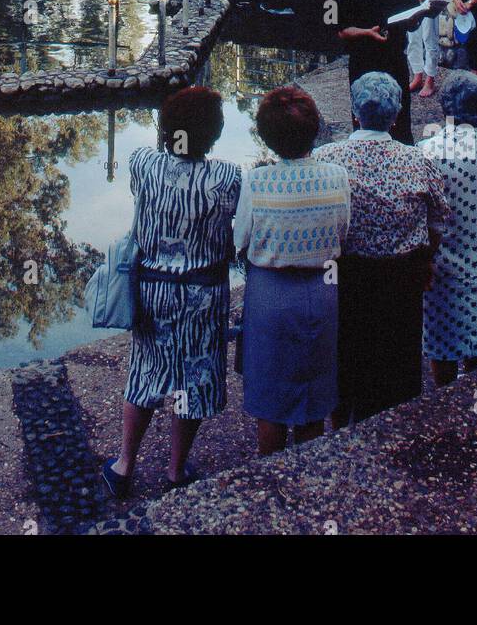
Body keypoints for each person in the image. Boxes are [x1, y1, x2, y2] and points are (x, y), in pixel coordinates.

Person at [103, 87, 240, 499]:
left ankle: (125, 465)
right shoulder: (228, 177)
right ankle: (176, 469)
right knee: (193, 378)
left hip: (152, 291)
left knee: (145, 371)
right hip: (203, 294)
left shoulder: (143, 164)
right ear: (213, 136)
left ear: (165, 130)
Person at [312, 72, 446, 426]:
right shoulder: (419, 161)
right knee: (397, 363)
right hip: (400, 279)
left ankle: (342, 426)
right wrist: (426, 258)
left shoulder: (327, 157)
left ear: (355, 113)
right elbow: (438, 223)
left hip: (348, 277)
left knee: (347, 357)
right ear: (397, 114)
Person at [234, 87, 350, 457]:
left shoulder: (257, 181)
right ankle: (307, 468)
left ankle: (270, 469)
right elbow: (343, 231)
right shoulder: (337, 176)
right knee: (313, 389)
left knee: (271, 393)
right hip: (323, 287)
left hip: (269, 292)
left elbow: (241, 239)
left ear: (267, 136)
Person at [419, 72, 477, 385]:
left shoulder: (427, 151)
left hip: (443, 261)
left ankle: (446, 397)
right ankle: (476, 395)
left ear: (446, 109)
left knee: (441, 343)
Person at [333, 0, 420, 143]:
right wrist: (366, 32)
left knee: (401, 117)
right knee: (365, 115)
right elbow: (342, 30)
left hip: (395, 60)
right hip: (365, 61)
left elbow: (412, 22)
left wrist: (421, 15)